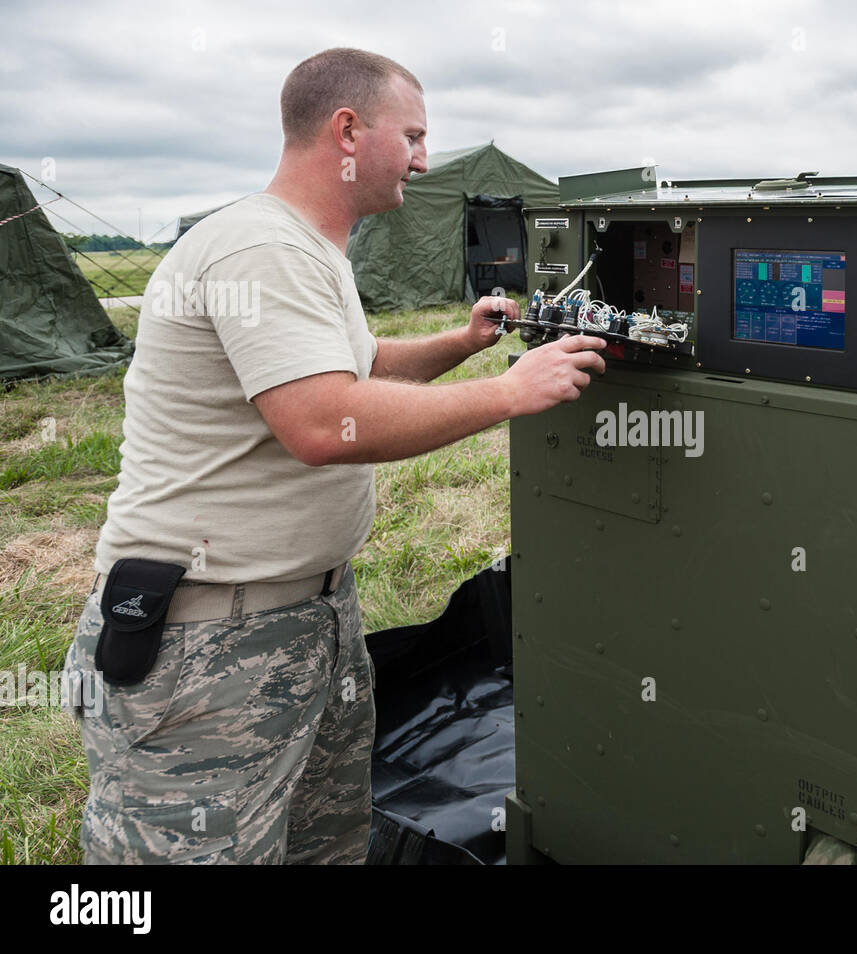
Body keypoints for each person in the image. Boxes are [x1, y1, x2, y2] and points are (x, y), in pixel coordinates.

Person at [61, 47, 606, 864]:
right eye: (413, 137)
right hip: (209, 637)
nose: (424, 160)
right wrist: (508, 393)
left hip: (303, 617)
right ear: (348, 131)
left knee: (326, 846)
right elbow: (321, 421)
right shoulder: (260, 249)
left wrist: (461, 344)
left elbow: (357, 366)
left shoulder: (310, 247)